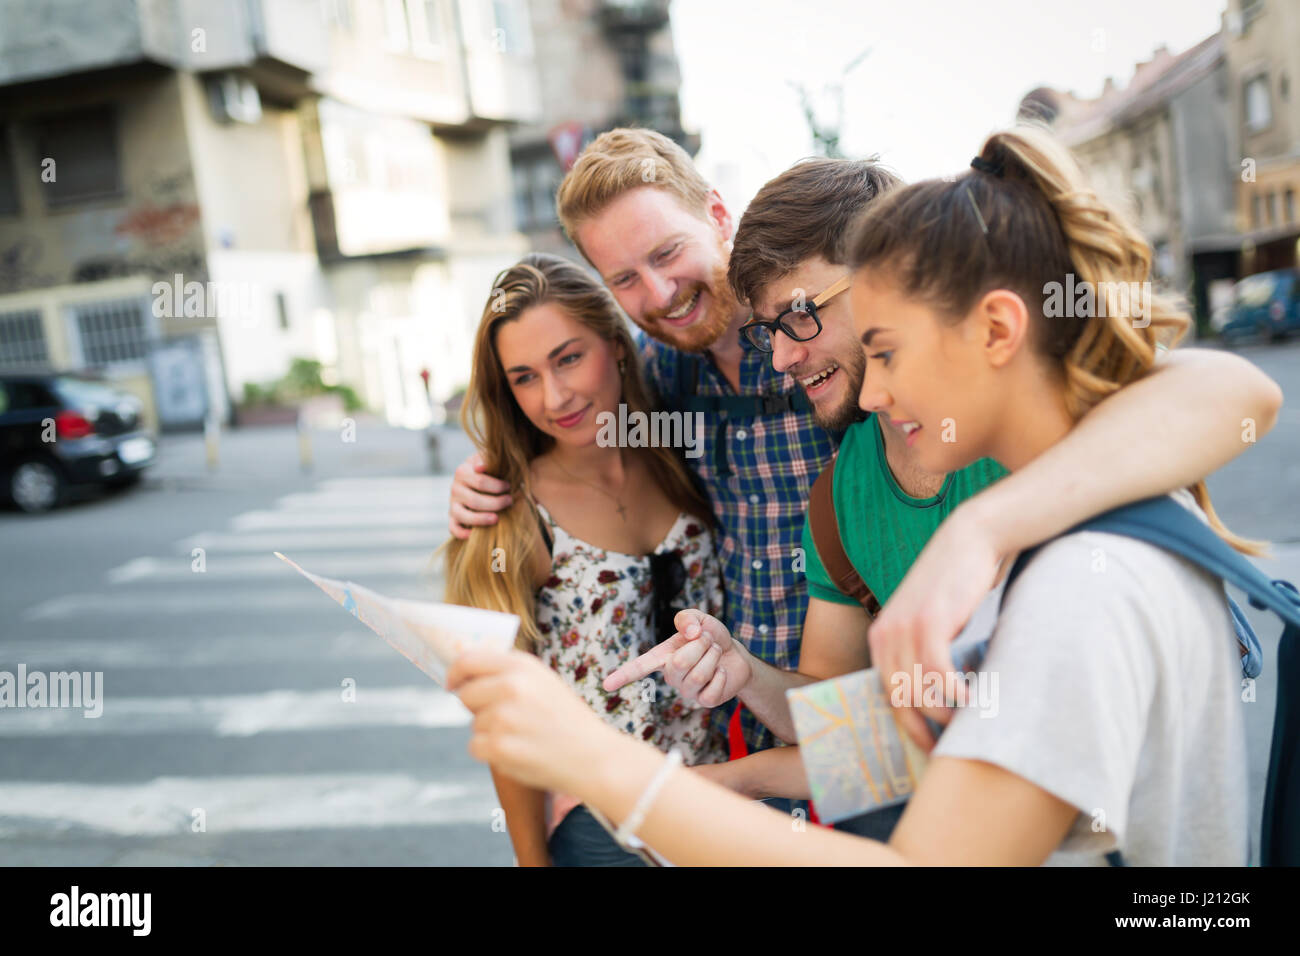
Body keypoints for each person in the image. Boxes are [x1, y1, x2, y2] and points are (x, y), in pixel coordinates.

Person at [448, 126, 1277, 865]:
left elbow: (1231, 392)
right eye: (622, 276)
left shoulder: (1068, 532)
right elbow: (890, 740)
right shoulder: (724, 413)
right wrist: (496, 475)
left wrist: (613, 771)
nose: (867, 394)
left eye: (882, 346)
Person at [447, 130, 889, 756]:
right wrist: (484, 478)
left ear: (716, 214)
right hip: (744, 733)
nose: (658, 294)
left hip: (874, 731)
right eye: (624, 278)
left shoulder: (827, 344)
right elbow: (558, 423)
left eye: (667, 253)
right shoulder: (656, 378)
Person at [441, 253, 727, 867]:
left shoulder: (679, 456)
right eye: (523, 377)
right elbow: (501, 713)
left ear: (617, 346)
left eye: (569, 357)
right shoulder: (509, 516)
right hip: (601, 828)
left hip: (722, 806)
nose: (555, 396)